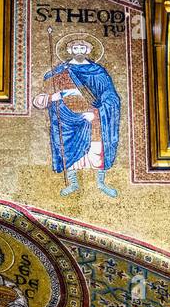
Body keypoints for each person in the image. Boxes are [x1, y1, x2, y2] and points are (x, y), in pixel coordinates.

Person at [33, 37, 121, 198]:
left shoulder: (98, 72)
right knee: (68, 148)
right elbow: (43, 96)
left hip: (93, 117)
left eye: (82, 48)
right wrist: (52, 97)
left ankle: (101, 183)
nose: (79, 51)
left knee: (96, 149)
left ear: (88, 51)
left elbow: (111, 97)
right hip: (67, 119)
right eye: (75, 48)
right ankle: (73, 183)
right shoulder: (60, 71)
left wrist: (95, 113)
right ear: (69, 51)